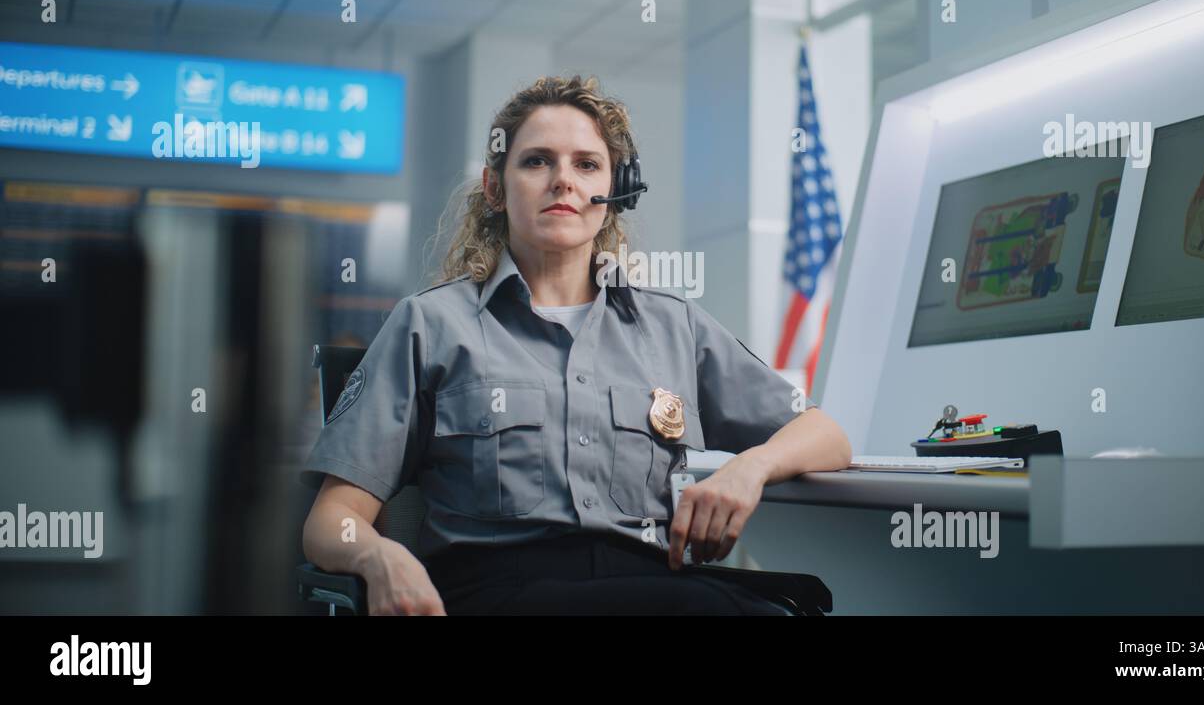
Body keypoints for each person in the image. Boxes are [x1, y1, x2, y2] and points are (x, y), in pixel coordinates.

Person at [301, 75, 851, 615]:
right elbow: (332, 519)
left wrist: (748, 467)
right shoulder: (430, 324)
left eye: (586, 164)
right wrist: (379, 557)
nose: (563, 180)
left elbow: (825, 434)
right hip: (497, 593)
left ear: (614, 194)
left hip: (652, 585)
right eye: (537, 161)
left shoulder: (672, 325)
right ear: (495, 188)